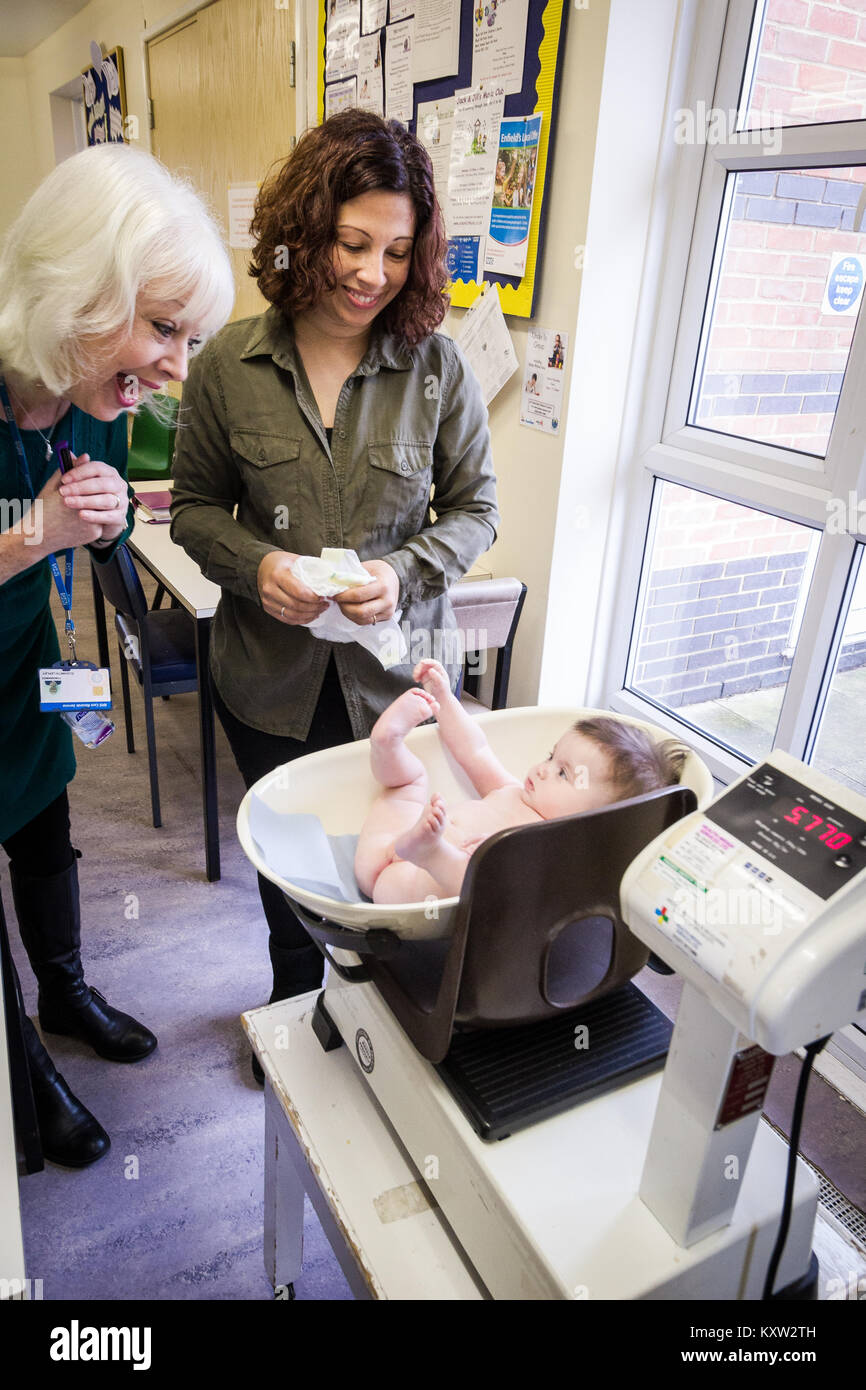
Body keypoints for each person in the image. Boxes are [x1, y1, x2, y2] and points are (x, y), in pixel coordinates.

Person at [169, 110, 499, 1076]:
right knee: (291, 868)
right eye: (353, 243)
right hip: (266, 677)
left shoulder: (435, 367)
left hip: (393, 680)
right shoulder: (229, 364)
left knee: (389, 859)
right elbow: (192, 509)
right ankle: (291, 1000)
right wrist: (251, 563)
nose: (372, 273)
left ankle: (383, 1018)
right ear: (305, 231)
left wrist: (405, 572)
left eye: (398, 251)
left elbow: (475, 509)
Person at [0, 143, 234, 1165]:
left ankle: (65, 991)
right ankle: (23, 1071)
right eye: (164, 327)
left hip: (21, 670)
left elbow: (95, 515)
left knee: (44, 834)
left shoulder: (97, 399)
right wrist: (35, 532)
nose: (180, 368)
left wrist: (92, 525)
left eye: (189, 334)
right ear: (77, 292)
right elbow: (34, 524)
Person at [355, 659, 690, 902]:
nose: (543, 769)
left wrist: (437, 852)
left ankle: (433, 853)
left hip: (411, 891)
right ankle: (387, 743)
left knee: (481, 881)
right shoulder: (512, 791)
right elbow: (474, 749)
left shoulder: (546, 848)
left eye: (563, 773)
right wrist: (444, 700)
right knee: (407, 784)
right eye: (550, 756)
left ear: (594, 822)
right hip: (382, 853)